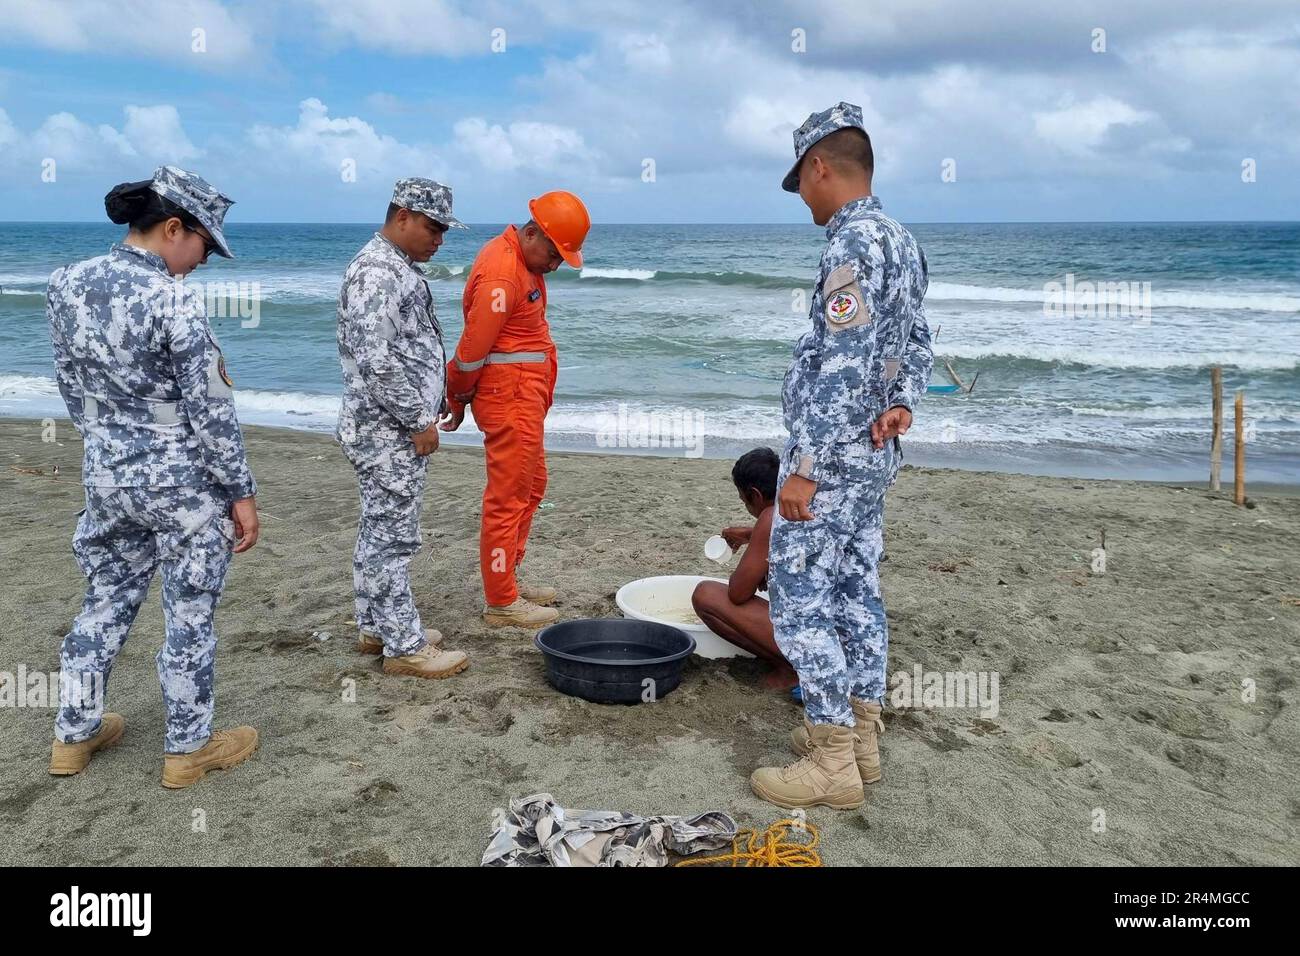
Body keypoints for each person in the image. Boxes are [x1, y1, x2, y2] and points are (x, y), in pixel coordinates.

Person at [46, 166, 261, 789]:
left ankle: (74, 732)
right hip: (180, 487)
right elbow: (210, 409)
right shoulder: (173, 298)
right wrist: (240, 493)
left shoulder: (67, 282)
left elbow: (70, 385)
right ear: (174, 228)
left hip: (107, 476)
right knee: (189, 612)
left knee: (104, 599)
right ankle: (188, 748)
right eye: (202, 247)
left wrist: (109, 442)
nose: (201, 263)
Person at [750, 103, 933, 811]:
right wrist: (905, 401)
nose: (803, 198)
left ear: (821, 166)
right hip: (875, 454)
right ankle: (861, 740)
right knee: (858, 590)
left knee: (800, 598)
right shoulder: (905, 240)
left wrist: (805, 467)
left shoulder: (853, 242)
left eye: (801, 182)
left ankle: (830, 759)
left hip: (833, 460)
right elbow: (916, 339)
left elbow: (847, 360)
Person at [336, 178, 470, 679]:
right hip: (387, 430)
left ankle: (376, 625)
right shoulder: (378, 272)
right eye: (433, 228)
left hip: (383, 427)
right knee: (393, 537)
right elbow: (377, 360)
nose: (439, 239)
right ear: (402, 217)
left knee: (379, 528)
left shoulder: (394, 266)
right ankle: (404, 644)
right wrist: (418, 419)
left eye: (444, 231)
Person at [441, 192, 591, 629]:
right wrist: (457, 397)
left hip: (523, 399)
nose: (556, 265)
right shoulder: (503, 275)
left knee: (532, 486)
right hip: (509, 402)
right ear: (530, 233)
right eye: (554, 253)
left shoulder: (519, 261)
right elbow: (470, 352)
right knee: (508, 499)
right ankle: (502, 601)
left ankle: (507, 576)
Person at [690, 448, 797, 689]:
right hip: (838, 630)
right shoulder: (800, 503)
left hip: (811, 637)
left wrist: (755, 551)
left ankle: (792, 669)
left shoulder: (771, 516)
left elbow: (738, 594)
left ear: (755, 495)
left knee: (705, 594)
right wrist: (751, 535)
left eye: (743, 500)